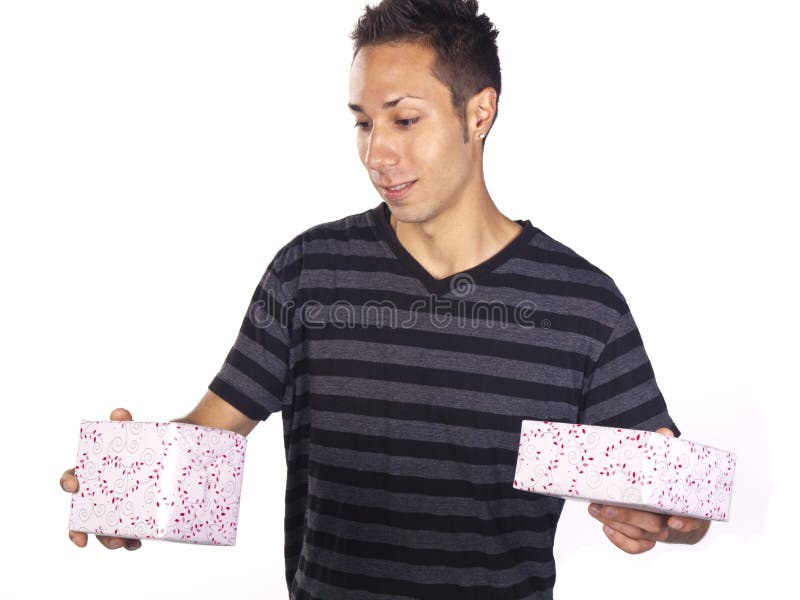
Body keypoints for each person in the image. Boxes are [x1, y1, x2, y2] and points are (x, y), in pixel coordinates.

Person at [60, 0, 711, 597]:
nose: (377, 152)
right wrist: (128, 479)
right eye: (364, 123)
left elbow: (669, 492)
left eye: (404, 119)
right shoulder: (308, 273)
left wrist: (668, 519)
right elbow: (211, 431)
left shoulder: (583, 304)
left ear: (479, 113)